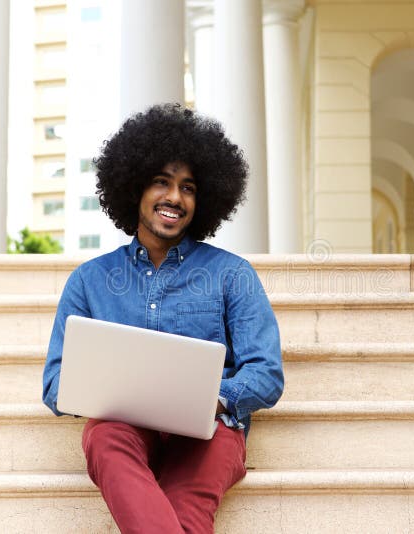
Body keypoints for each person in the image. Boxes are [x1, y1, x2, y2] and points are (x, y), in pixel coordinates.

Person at [42, 103, 284, 533]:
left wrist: (208, 396)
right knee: (102, 436)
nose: (174, 197)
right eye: (161, 182)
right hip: (128, 431)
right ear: (134, 187)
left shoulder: (232, 275)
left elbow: (266, 374)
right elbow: (55, 384)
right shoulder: (89, 282)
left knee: (185, 510)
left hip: (209, 431)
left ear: (203, 198)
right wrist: (114, 392)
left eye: (188, 187)